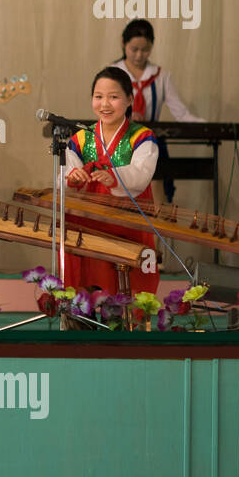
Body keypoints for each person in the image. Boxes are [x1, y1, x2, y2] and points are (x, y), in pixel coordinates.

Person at [62, 66, 161, 296]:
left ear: (129, 99)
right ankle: (83, 321)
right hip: (88, 222)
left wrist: (115, 177)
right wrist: (73, 177)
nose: (105, 104)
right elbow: (66, 172)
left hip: (126, 223)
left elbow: (142, 173)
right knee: (87, 281)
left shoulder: (142, 136)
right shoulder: (80, 138)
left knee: (128, 285)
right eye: (98, 97)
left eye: (113, 97)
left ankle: (124, 324)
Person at [112, 18, 202, 203]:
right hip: (120, 142)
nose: (139, 55)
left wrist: (207, 126)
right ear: (123, 43)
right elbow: (105, 109)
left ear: (152, 47)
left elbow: (181, 114)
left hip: (152, 142)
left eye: (145, 50)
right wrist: (126, 115)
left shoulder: (161, 76)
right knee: (120, 195)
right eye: (134, 49)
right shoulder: (112, 73)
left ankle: (157, 230)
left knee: (157, 197)